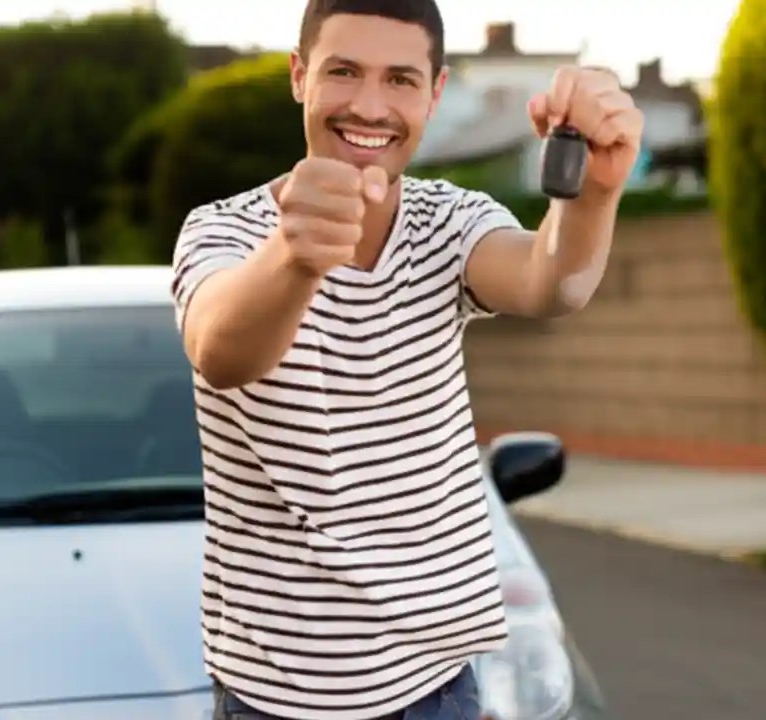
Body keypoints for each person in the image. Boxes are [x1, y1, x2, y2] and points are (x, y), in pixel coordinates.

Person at [169, 1, 643, 718]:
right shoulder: (224, 231)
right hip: (274, 700)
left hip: (437, 691)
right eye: (343, 72)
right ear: (300, 77)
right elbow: (220, 349)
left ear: (434, 93)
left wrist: (596, 194)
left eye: (399, 79)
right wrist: (296, 257)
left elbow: (551, 281)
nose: (369, 105)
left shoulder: (450, 223)